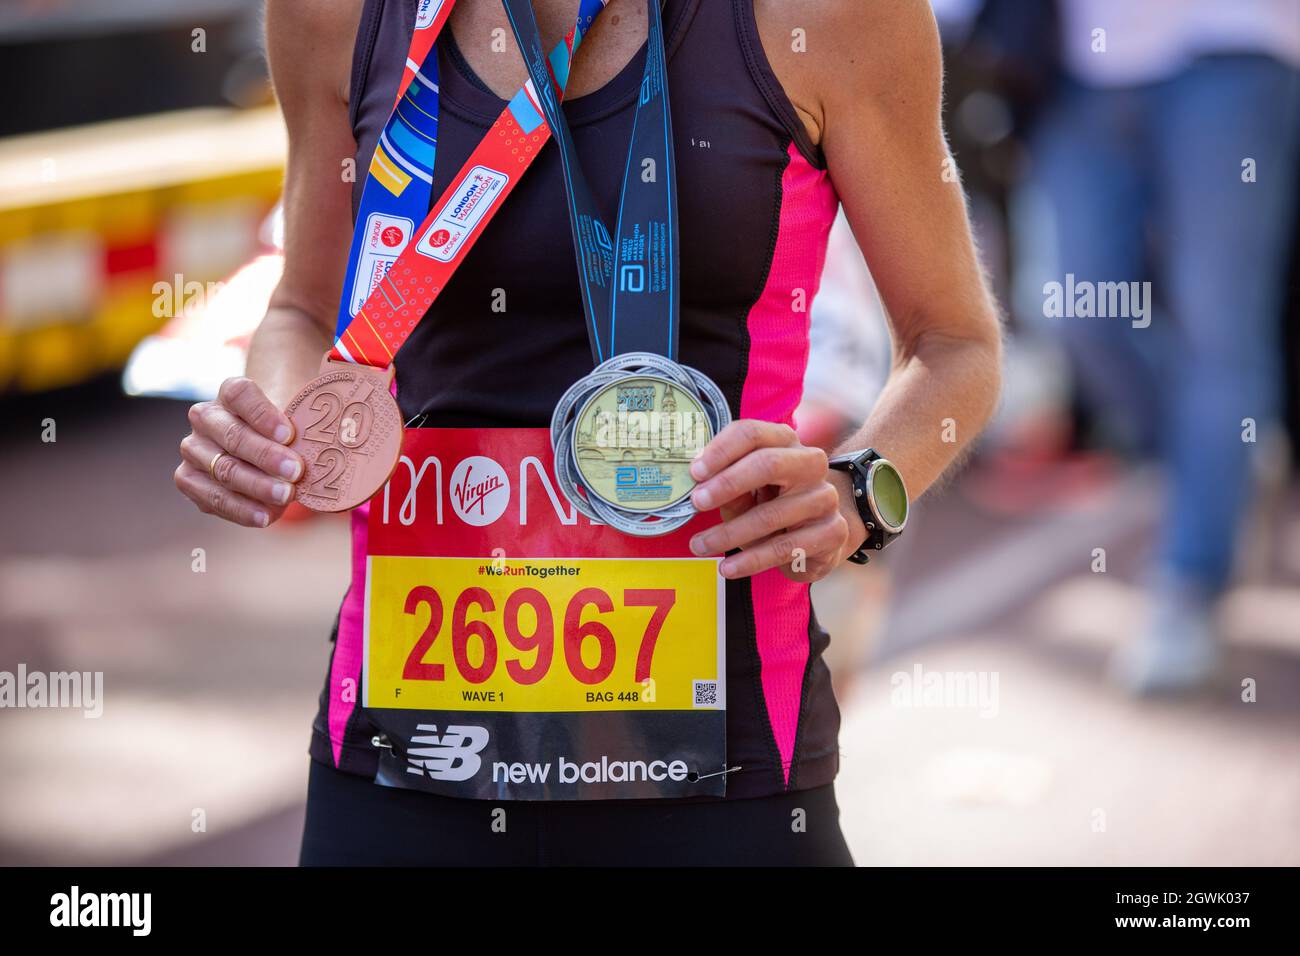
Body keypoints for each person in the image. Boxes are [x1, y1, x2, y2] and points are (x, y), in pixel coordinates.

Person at [173, 0, 1001, 866]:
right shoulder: (333, 13)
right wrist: (269, 429)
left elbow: (954, 343)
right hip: (404, 744)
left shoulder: (828, 15)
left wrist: (854, 490)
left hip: (721, 757)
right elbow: (303, 308)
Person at [1016, 0, 1300, 694]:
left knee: (1221, 330)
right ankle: (1226, 460)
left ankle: (1189, 585)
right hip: (1076, 65)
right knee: (1077, 310)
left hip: (1234, 47)